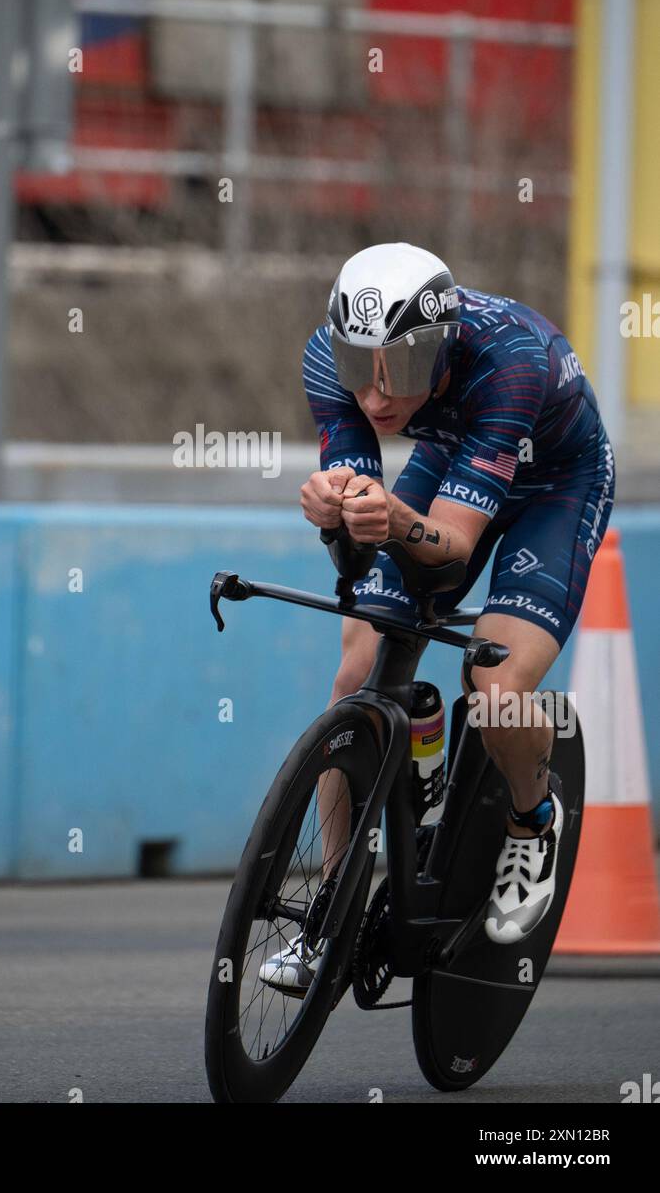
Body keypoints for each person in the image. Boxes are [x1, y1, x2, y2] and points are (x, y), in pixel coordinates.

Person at [260, 241, 615, 993]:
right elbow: (362, 520)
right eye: (362, 369)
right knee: (358, 671)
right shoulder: (327, 360)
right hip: (459, 454)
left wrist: (385, 518)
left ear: (441, 349)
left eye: (402, 372)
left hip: (556, 482)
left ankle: (532, 822)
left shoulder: (510, 361)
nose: (378, 397)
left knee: (495, 681)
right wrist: (337, 509)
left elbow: (450, 547)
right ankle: (337, 901)